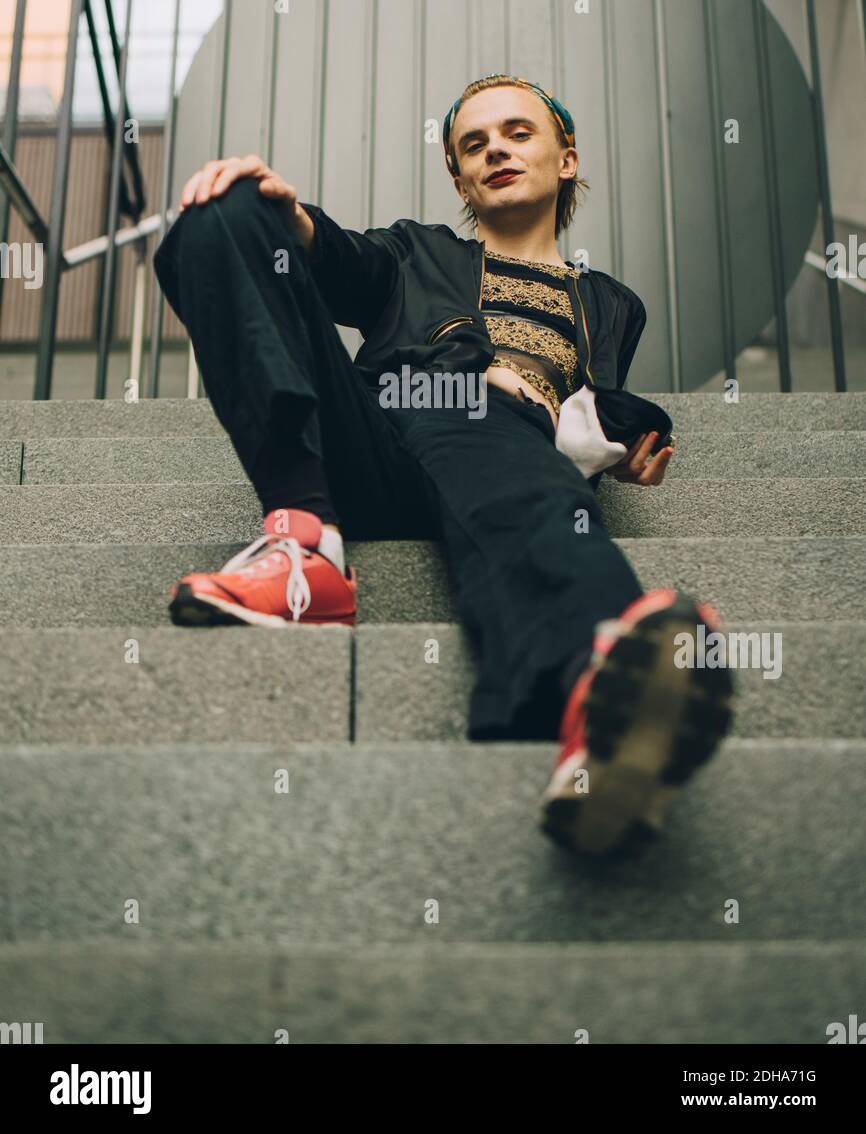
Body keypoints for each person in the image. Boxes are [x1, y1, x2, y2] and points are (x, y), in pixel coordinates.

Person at [152, 73, 733, 857]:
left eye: (518, 132)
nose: (495, 147)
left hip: (498, 458)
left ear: (567, 158)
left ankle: (603, 714)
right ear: (459, 177)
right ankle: (303, 547)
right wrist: (286, 216)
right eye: (473, 143)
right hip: (377, 432)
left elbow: (591, 403)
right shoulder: (412, 253)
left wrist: (619, 444)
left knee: (498, 414)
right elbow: (338, 261)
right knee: (218, 215)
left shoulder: (612, 302)